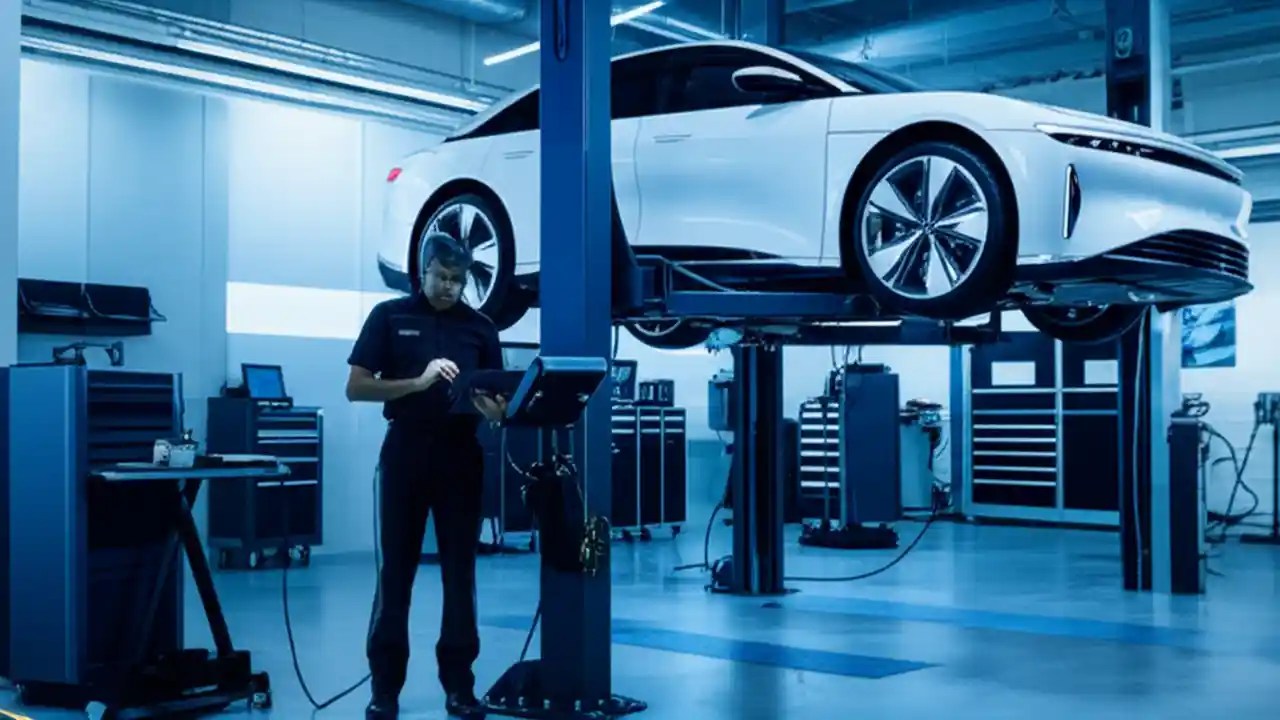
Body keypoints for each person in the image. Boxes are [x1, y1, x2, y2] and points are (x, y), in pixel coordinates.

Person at [346, 232, 508, 719]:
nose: (450, 287)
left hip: (461, 455)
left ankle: (459, 686)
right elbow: (356, 388)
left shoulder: (481, 329)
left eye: (459, 281)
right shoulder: (389, 317)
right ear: (423, 271)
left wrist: (492, 409)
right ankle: (385, 690)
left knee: (461, 573)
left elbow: (496, 403)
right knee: (396, 573)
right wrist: (417, 383)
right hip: (406, 453)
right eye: (442, 277)